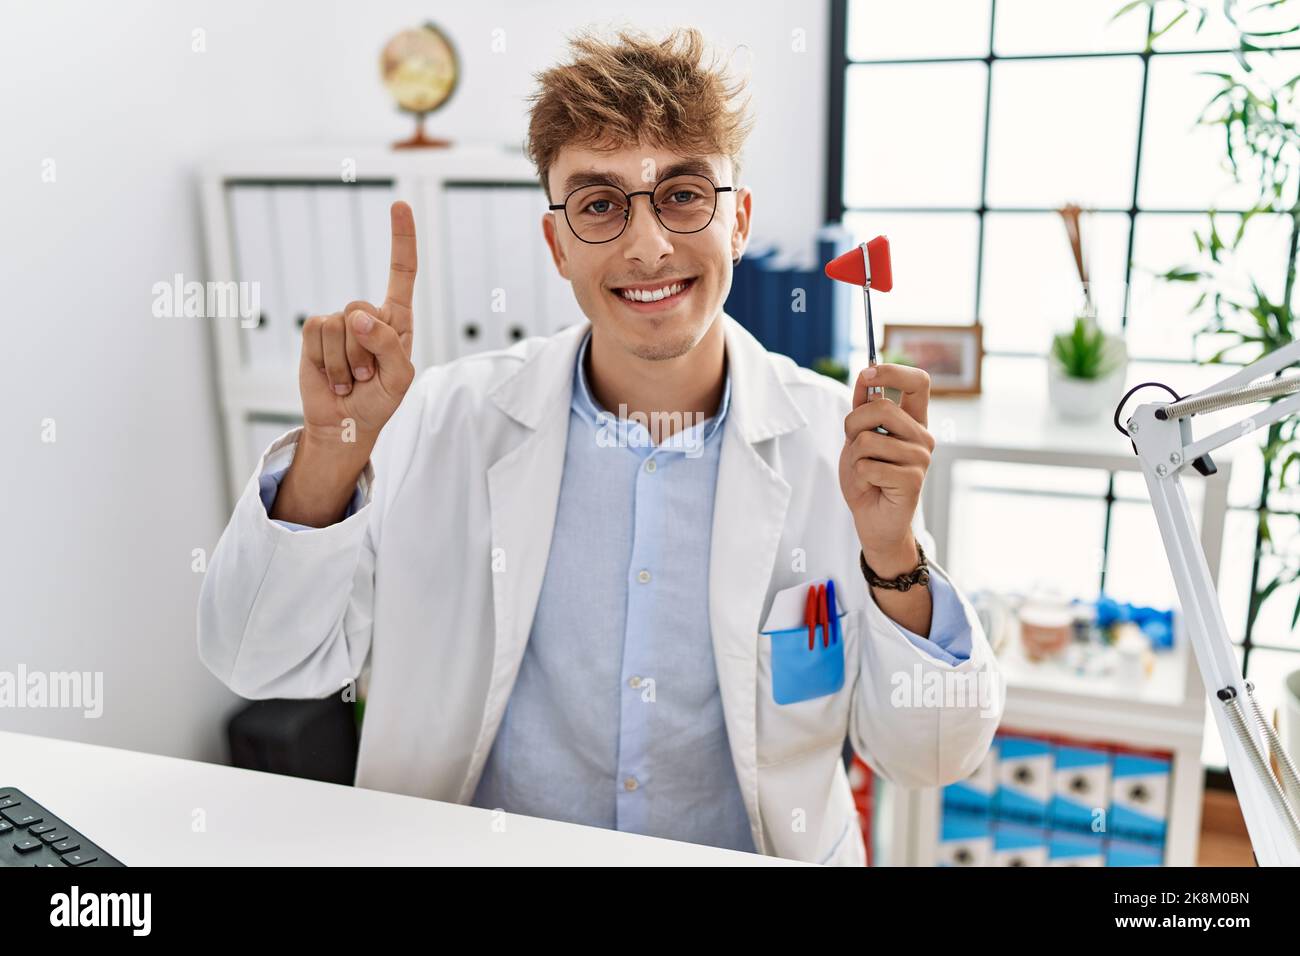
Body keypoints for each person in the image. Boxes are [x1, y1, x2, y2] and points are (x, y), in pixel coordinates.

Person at [198, 26, 1003, 865]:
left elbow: (933, 755)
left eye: (685, 194)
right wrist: (333, 448)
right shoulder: (444, 421)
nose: (647, 244)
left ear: (740, 222)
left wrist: (891, 557)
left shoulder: (838, 449)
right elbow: (258, 660)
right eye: (599, 204)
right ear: (556, 244)